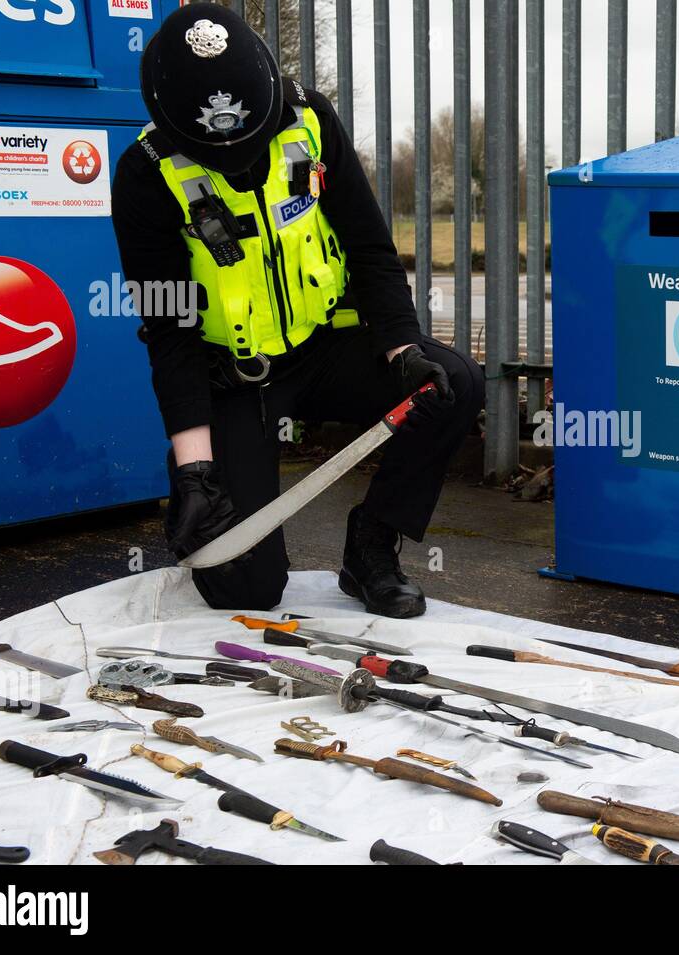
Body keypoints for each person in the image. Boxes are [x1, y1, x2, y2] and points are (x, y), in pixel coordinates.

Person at [111, 6, 482, 617]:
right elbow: (169, 327)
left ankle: (371, 549)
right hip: (236, 378)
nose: (237, 157)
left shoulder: (310, 120)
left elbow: (368, 247)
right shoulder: (144, 174)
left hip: (328, 350)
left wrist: (402, 349)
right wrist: (195, 470)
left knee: (451, 383)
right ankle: (205, 476)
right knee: (246, 590)